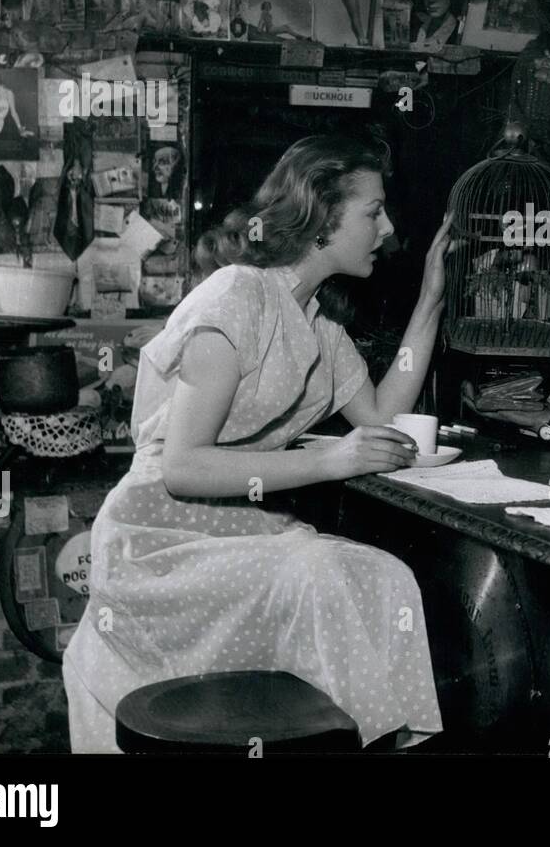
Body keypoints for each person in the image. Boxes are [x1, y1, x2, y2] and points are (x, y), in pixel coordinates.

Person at [62, 135, 454, 751]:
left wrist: (433, 295)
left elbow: (382, 412)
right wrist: (329, 460)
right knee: (320, 571)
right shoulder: (236, 296)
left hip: (237, 534)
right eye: (373, 212)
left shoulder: (321, 326)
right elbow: (183, 468)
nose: (388, 228)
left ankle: (364, 740)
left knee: (386, 577)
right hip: (158, 538)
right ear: (324, 219)